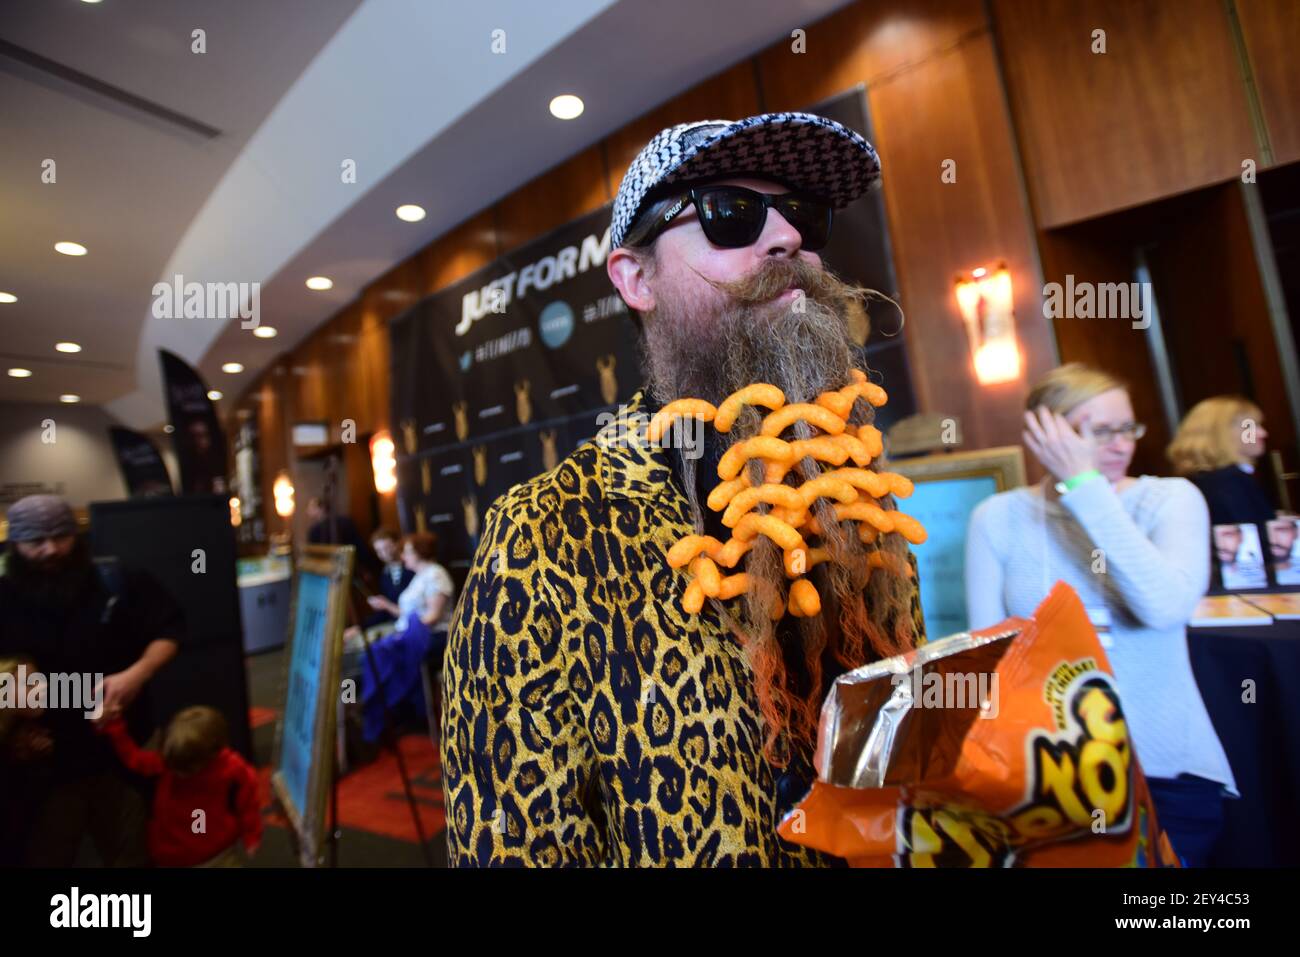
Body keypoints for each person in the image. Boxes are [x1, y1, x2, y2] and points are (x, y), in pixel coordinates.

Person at [442, 112, 925, 866]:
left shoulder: (860, 502)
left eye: (802, 214)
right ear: (636, 278)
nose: (787, 238)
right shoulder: (543, 538)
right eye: (731, 213)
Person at [965, 364, 1236, 866]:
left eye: (1127, 428)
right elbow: (988, 658)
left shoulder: (1171, 500)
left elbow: (1164, 606)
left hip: (1164, 773)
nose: (1120, 444)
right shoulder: (997, 518)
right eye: (1100, 430)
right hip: (1049, 774)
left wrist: (1084, 486)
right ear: (1044, 435)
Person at [0, 494, 185, 866]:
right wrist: (11, 726)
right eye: (36, 541)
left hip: (123, 756)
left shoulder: (118, 581)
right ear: (15, 545)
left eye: (61, 536)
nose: (52, 549)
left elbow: (170, 630)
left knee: (132, 857)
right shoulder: (4, 598)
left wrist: (134, 676)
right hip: (45, 768)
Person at [97, 706, 261, 867]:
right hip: (174, 856)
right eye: (173, 767)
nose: (176, 772)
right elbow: (135, 760)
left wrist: (251, 834)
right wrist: (114, 725)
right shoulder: (173, 760)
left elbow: (248, 801)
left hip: (217, 854)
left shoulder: (231, 767)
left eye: (184, 770)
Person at [1168, 396, 1275, 527]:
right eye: (1251, 426)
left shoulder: (1201, 480)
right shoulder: (1231, 482)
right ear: (1222, 433)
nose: (1263, 433)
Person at [362, 527, 416, 628]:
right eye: (379, 551)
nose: (384, 553)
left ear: (398, 543)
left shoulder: (412, 568)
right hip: (396, 623)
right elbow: (385, 613)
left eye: (387, 547)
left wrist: (386, 604)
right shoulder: (385, 575)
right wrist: (360, 628)